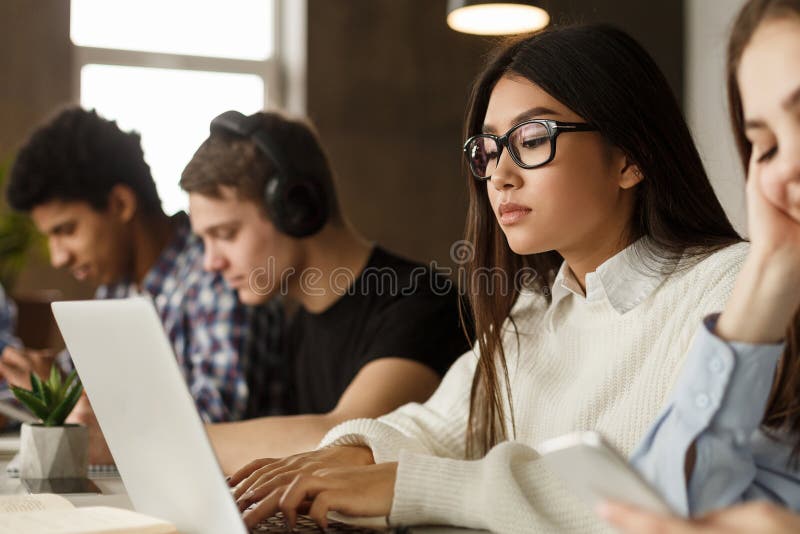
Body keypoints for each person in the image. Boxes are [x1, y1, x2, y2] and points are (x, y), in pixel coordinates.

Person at [219, 25, 800, 532]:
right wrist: (355, 453)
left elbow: (647, 498)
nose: (500, 174)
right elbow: (435, 427)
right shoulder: (534, 311)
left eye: (531, 139)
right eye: (489, 148)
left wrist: (411, 486)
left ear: (629, 158)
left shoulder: (729, 287)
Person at [600, 0, 800, 532]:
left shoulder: (711, 277)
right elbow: (667, 512)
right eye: (766, 145)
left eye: (530, 141)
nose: (787, 169)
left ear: (630, 159)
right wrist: (771, 273)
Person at [179, 110, 471, 474]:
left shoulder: (423, 303)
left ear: (295, 209)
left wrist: (157, 439)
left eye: (225, 234)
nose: (211, 262)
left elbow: (344, 441)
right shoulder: (299, 325)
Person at [3, 108, 283, 462]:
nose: (58, 258)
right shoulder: (115, 289)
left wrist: (63, 399)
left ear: (121, 204)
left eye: (66, 230)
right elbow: (71, 383)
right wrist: (31, 383)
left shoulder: (223, 274)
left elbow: (216, 422)